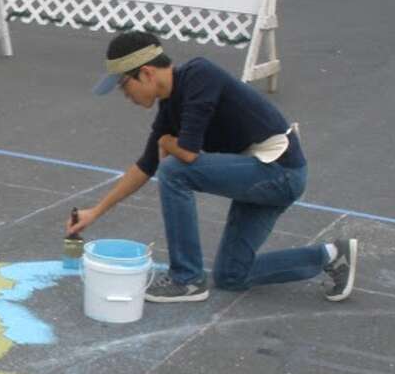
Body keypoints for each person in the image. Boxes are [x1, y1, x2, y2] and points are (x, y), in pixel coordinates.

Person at [69, 30, 357, 303]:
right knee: (232, 275)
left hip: (280, 173)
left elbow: (188, 155)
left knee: (174, 171)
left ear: (146, 73)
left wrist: (168, 143)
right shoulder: (169, 106)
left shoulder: (199, 75)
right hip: (258, 174)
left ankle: (187, 279)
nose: (126, 95)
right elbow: (145, 166)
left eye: (124, 85)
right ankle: (331, 255)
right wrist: (95, 212)